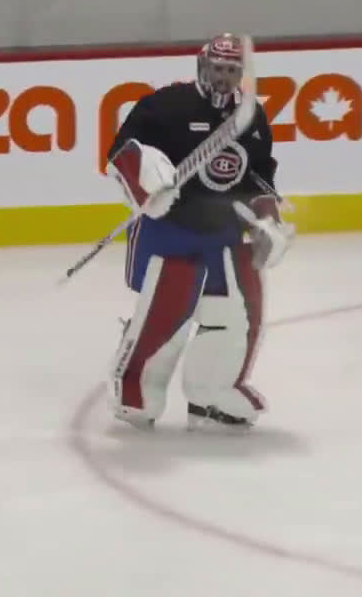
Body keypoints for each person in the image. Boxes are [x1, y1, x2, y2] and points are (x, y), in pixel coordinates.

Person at [104, 33, 294, 431]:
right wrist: (144, 182)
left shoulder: (250, 115)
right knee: (168, 314)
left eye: (231, 70)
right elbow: (121, 153)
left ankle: (212, 393)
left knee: (232, 318)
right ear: (202, 66)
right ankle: (137, 386)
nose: (223, 78)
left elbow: (259, 175)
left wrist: (267, 218)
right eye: (217, 69)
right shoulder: (165, 105)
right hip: (170, 232)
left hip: (224, 234)